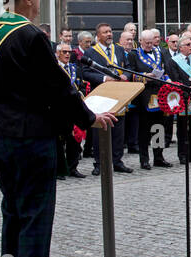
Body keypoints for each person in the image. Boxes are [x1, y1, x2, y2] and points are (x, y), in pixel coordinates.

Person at [0, 0, 117, 257]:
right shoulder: (29, 35)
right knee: (36, 215)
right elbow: (56, 85)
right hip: (28, 138)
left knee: (12, 214)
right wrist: (88, 117)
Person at [79, 23, 133, 174]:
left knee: (118, 129)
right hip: (102, 95)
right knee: (100, 130)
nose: (109, 34)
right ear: (98, 35)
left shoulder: (120, 50)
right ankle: (99, 163)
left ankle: (117, 160)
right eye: (105, 32)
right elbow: (85, 72)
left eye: (110, 31)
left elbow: (128, 67)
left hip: (119, 94)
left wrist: (125, 76)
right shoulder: (91, 52)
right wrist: (104, 78)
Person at [130, 29, 172, 170]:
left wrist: (168, 80)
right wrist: (145, 76)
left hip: (159, 94)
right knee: (144, 130)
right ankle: (144, 159)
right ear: (140, 41)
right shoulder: (134, 54)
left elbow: (164, 70)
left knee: (159, 127)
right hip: (144, 96)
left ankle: (158, 157)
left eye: (151, 42)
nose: (149, 45)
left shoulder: (159, 52)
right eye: (147, 43)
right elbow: (131, 75)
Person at [164, 34, 191, 165]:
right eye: (188, 45)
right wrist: (190, 91)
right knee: (182, 128)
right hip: (183, 98)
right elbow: (176, 80)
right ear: (181, 47)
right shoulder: (173, 61)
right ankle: (182, 154)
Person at [53, 42, 86, 179]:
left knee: (75, 140)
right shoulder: (54, 69)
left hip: (74, 109)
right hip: (59, 110)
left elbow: (82, 86)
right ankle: (60, 168)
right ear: (57, 54)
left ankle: (73, 167)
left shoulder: (75, 68)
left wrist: (82, 96)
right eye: (64, 52)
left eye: (69, 52)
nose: (67, 54)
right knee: (59, 142)